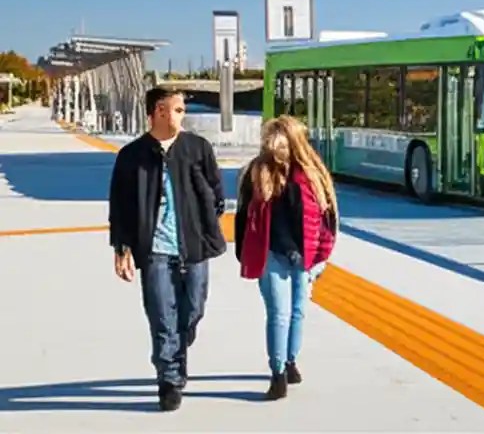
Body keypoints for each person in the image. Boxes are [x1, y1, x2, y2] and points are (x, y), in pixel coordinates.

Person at [108, 87, 227, 412]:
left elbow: (217, 192)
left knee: (192, 311)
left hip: (195, 246)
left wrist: (205, 223)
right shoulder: (132, 156)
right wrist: (122, 248)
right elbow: (119, 206)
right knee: (162, 317)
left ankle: (176, 348)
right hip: (155, 250)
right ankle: (169, 380)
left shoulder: (197, 148)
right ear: (159, 112)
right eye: (177, 109)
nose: (181, 116)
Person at [234, 115, 338, 400]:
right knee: (279, 313)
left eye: (278, 144)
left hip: (304, 256)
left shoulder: (312, 176)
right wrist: (244, 252)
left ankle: (290, 361)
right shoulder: (257, 173)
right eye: (270, 144)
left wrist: (322, 255)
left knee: (297, 310)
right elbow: (244, 216)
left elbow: (327, 219)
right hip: (271, 254)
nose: (273, 150)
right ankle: (277, 372)